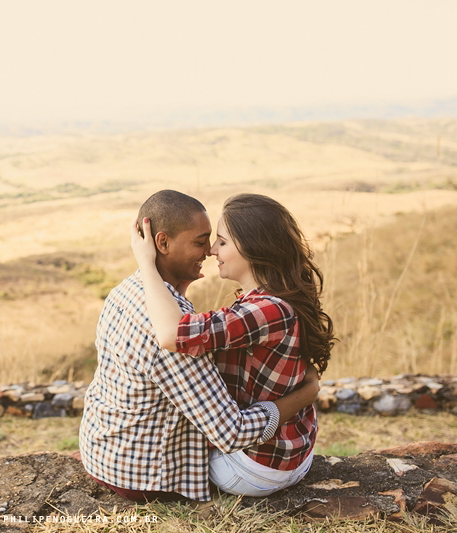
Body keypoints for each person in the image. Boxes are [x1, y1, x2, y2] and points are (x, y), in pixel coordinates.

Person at [78, 190, 320, 503]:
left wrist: (146, 265)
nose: (209, 251)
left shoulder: (125, 290)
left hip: (102, 453)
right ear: (162, 243)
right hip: (143, 476)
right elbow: (230, 431)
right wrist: (305, 395)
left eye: (218, 241)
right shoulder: (166, 321)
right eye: (201, 241)